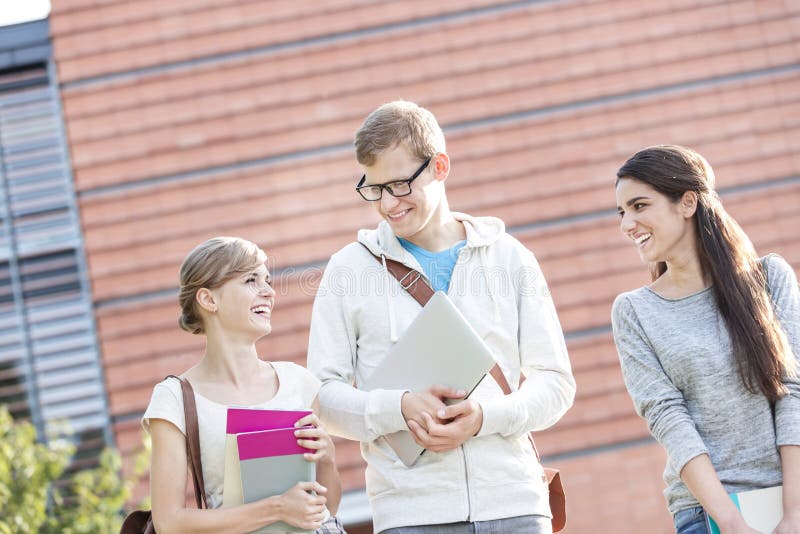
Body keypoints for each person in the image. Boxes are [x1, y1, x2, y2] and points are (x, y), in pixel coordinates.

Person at [307, 100, 575, 533]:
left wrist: (487, 418)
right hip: (413, 515)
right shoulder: (348, 270)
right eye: (373, 188)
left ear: (440, 167)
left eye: (398, 185)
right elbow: (322, 398)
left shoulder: (510, 258)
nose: (387, 204)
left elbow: (556, 383)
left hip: (516, 507)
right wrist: (400, 407)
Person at [611, 145, 800, 534]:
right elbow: (668, 418)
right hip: (706, 516)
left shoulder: (770, 278)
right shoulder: (634, 312)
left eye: (639, 206)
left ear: (688, 202)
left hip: (789, 501)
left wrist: (794, 512)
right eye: (622, 212)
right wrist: (728, 521)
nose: (627, 224)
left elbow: (793, 391)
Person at [143, 237, 345, 533]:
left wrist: (327, 460)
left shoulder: (298, 383)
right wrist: (276, 507)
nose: (268, 292)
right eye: (251, 280)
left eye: (267, 280)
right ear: (209, 300)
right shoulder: (173, 399)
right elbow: (169, 521)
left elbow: (328, 510)